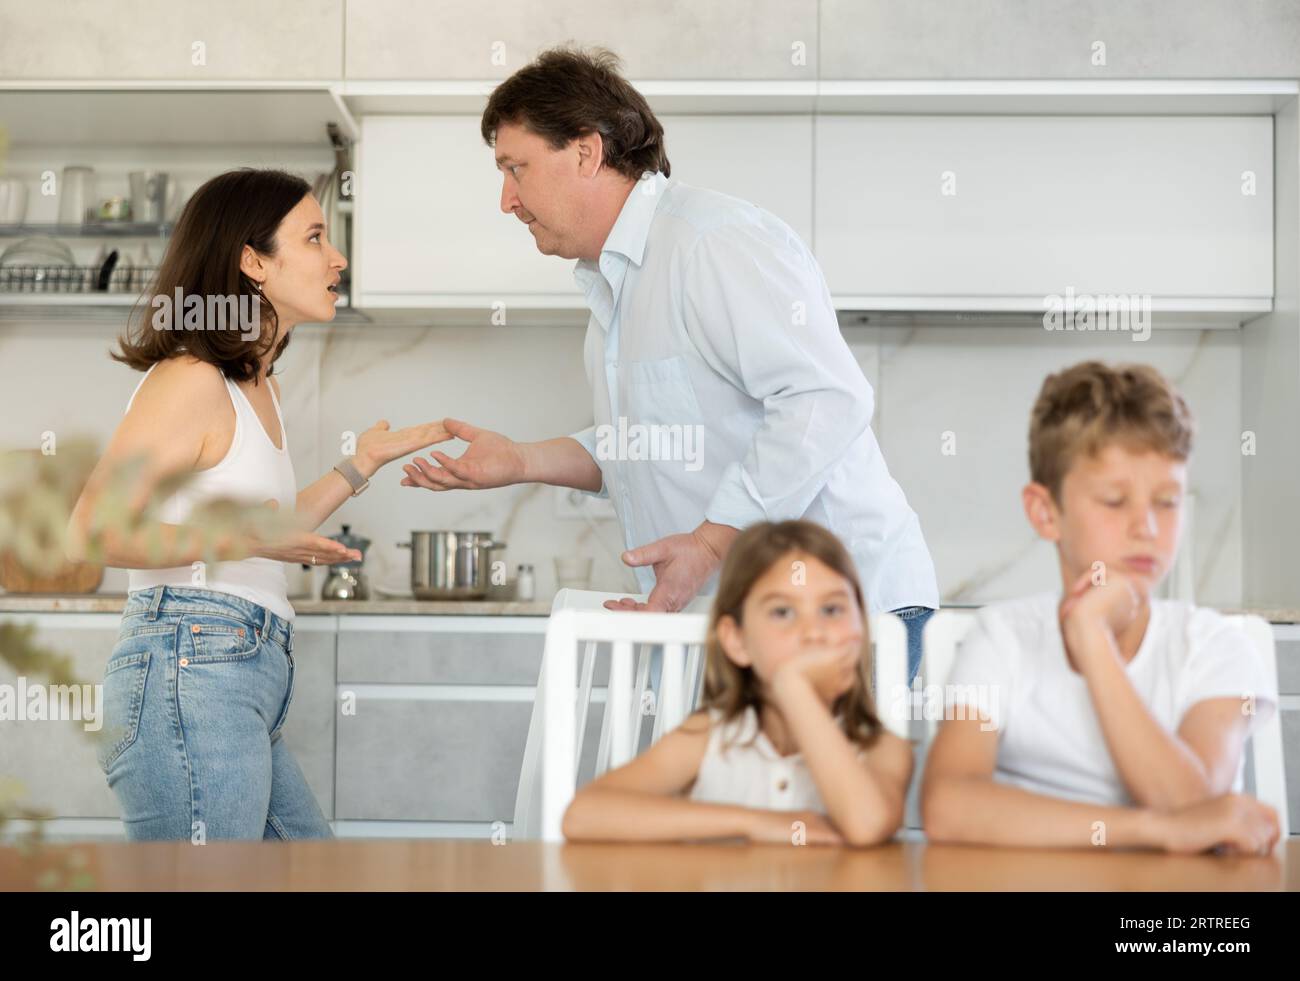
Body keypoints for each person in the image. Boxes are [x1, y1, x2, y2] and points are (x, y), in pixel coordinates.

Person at [400, 46, 940, 681]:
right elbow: (650, 439)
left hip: (837, 612)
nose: (506, 200)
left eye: (516, 168)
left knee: (801, 787)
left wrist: (711, 542)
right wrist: (520, 460)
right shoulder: (616, 284)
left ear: (585, 151)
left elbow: (825, 399)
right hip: (739, 622)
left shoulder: (712, 243)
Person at [67, 168, 449, 840]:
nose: (338, 257)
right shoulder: (191, 378)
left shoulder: (255, 387)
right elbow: (94, 529)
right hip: (189, 666)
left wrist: (361, 463)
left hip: (239, 674)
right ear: (252, 261)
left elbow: (271, 533)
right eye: (314, 237)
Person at [922, 361, 1280, 854]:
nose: (1147, 528)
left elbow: (1193, 808)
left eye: (1168, 501)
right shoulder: (1003, 638)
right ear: (1046, 514)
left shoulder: (1215, 646)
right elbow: (947, 805)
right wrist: (1149, 831)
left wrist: (1093, 640)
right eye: (1115, 501)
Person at [562, 520, 912, 847]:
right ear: (737, 641)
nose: (812, 631)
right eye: (782, 612)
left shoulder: (881, 747)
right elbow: (583, 816)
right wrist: (755, 823)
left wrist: (794, 689)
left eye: (832, 610)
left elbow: (866, 826)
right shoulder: (710, 736)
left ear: (859, 631)